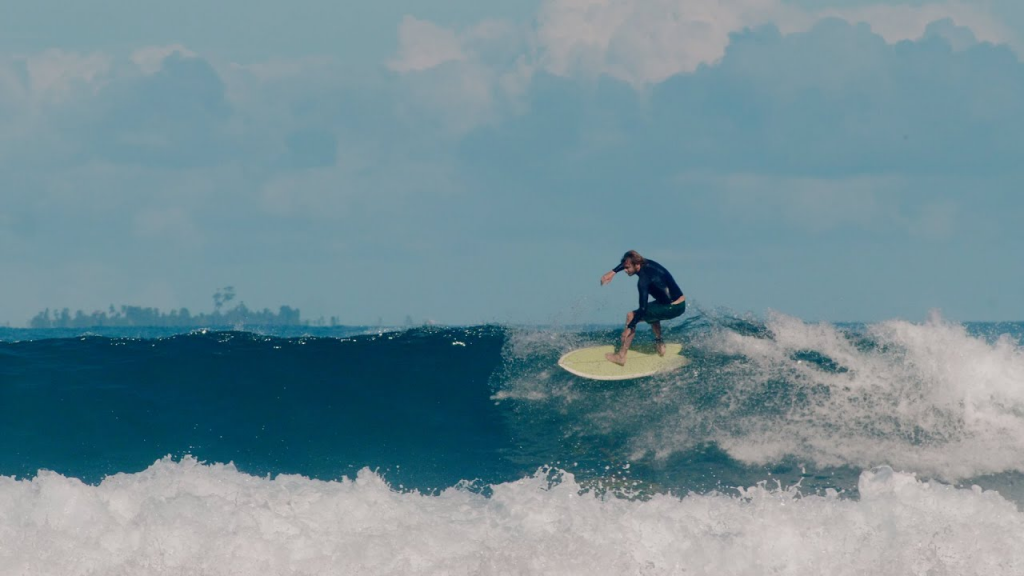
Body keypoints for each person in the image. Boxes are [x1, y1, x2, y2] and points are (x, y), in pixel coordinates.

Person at [600, 250, 686, 365]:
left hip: (671, 308)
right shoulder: (647, 263)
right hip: (679, 304)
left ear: (636, 265)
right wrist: (613, 272)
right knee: (653, 311)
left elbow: (643, 309)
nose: (625, 270)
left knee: (631, 315)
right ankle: (659, 344)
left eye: (627, 268)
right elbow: (627, 261)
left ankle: (621, 356)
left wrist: (629, 327)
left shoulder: (643, 281)